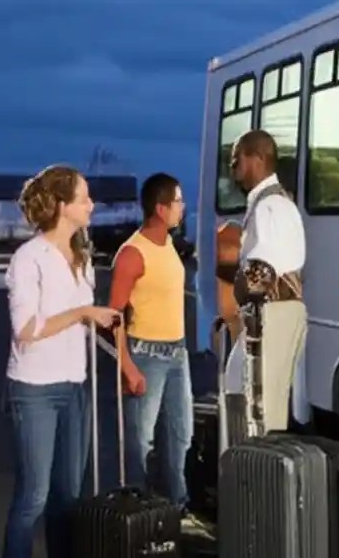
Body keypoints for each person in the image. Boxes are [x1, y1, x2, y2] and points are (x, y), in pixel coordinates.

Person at [0, 165, 120, 558]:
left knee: (68, 497)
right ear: (62, 206)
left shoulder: (82, 258)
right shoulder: (29, 258)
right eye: (84, 197)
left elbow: (77, 322)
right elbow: (27, 329)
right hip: (35, 389)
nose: (91, 205)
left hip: (74, 385)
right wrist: (85, 314)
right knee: (33, 496)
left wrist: (104, 324)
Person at [106, 172, 204, 530]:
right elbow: (113, 317)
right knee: (140, 442)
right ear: (161, 208)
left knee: (180, 435)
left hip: (177, 355)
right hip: (146, 354)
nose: (182, 208)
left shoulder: (169, 248)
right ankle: (138, 515)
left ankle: (176, 510)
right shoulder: (133, 253)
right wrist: (127, 366)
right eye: (178, 202)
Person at [223, 129, 307, 436]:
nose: (232, 170)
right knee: (259, 402)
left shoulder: (269, 207)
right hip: (279, 313)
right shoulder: (277, 202)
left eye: (236, 162)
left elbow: (261, 270)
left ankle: (252, 474)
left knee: (251, 404)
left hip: (270, 315)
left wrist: (239, 292)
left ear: (257, 159)